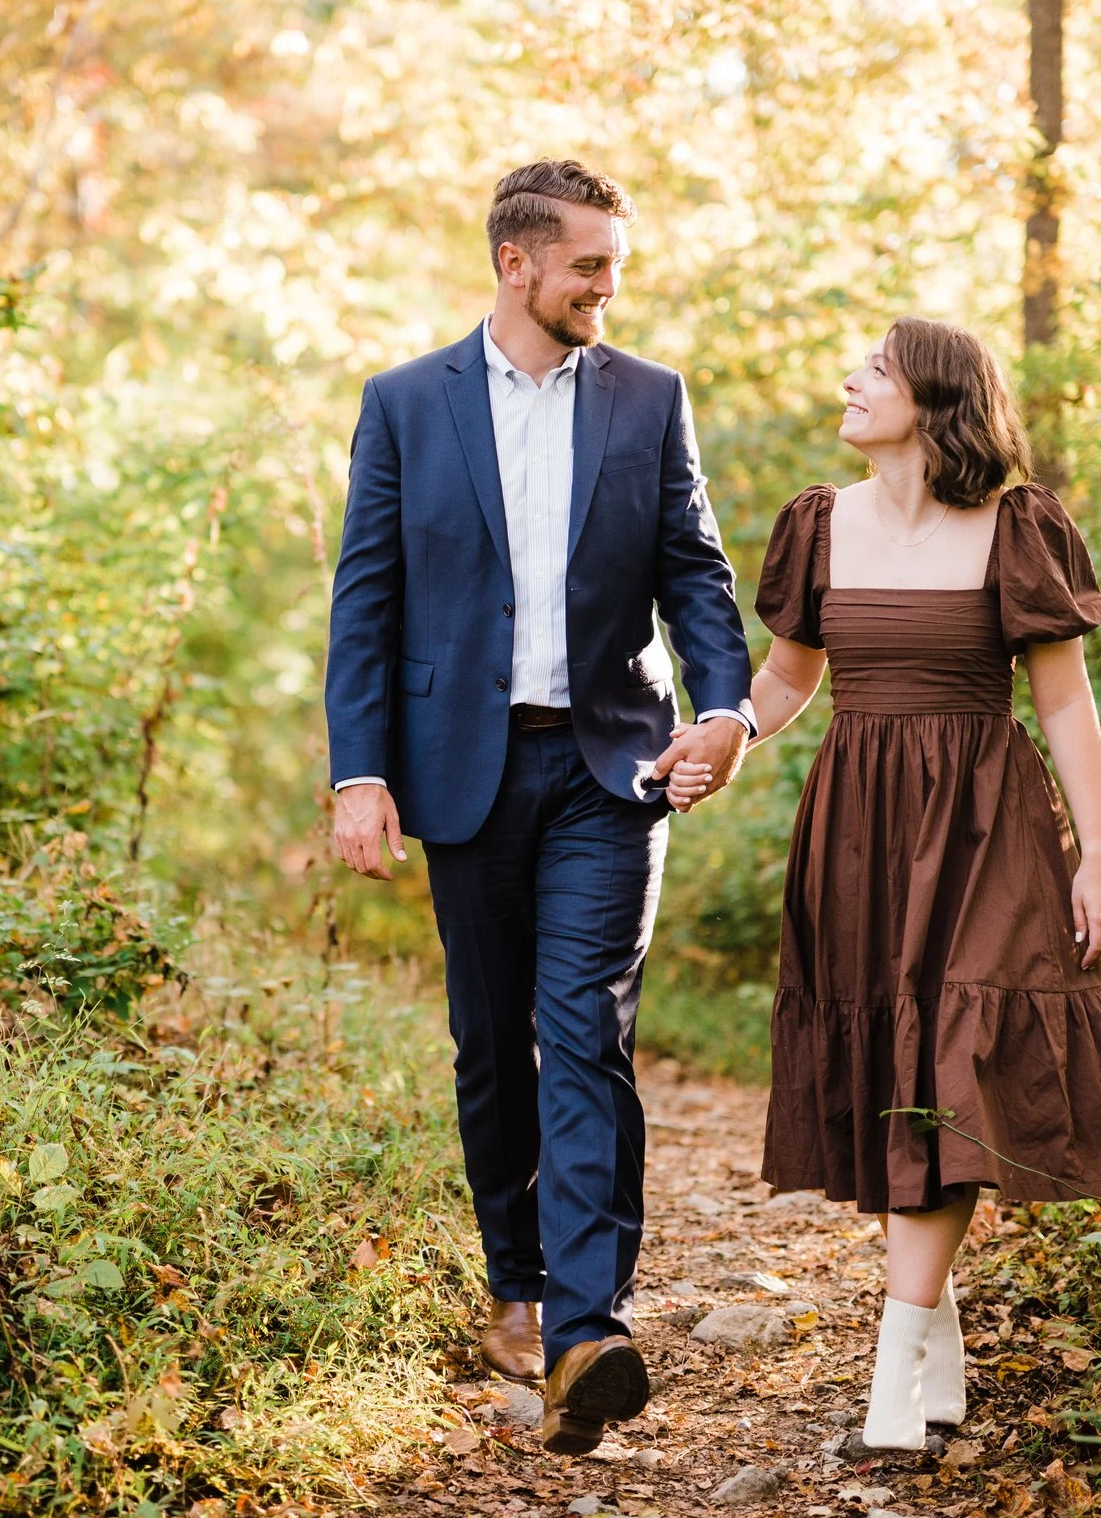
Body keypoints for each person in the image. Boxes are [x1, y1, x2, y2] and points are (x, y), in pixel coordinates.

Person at [663, 317, 1101, 1454]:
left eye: (874, 370)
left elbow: (1060, 701)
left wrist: (1097, 851)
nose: (848, 381)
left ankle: (890, 1392)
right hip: (858, 828)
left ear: (933, 399)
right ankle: (935, 1346)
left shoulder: (1015, 525)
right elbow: (789, 681)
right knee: (895, 1065)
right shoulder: (817, 522)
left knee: (951, 1065)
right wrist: (721, 734)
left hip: (987, 826)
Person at [325, 159, 757, 1455]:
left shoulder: (647, 396)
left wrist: (725, 706)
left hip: (607, 769)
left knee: (584, 1031)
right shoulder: (405, 405)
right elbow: (367, 599)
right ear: (518, 263)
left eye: (613, 267)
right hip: (459, 768)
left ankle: (585, 1329)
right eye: (589, 268)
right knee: (486, 1042)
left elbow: (696, 568)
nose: (607, 290)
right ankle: (511, 1276)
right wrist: (359, 772)